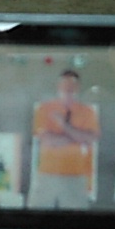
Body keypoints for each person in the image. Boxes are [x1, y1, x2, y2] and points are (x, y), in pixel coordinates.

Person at [28, 69, 100, 209]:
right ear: (58, 86)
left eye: (72, 85)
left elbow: (91, 138)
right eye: (64, 85)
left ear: (78, 88)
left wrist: (63, 125)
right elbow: (48, 140)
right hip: (47, 174)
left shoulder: (87, 112)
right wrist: (77, 137)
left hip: (76, 175)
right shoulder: (44, 109)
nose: (68, 89)